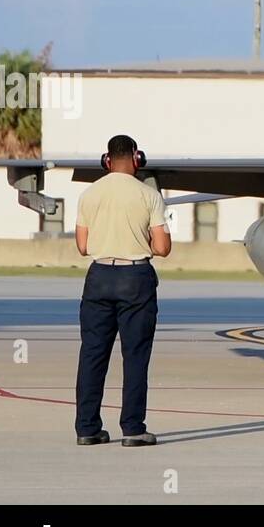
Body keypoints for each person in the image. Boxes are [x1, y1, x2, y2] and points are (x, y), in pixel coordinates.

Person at [74, 134, 171, 447]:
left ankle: (87, 428)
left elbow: (82, 245)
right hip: (135, 278)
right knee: (135, 356)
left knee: (92, 354)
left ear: (107, 160)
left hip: (98, 275)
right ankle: (132, 428)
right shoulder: (148, 195)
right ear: (135, 157)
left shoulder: (89, 194)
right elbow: (163, 247)